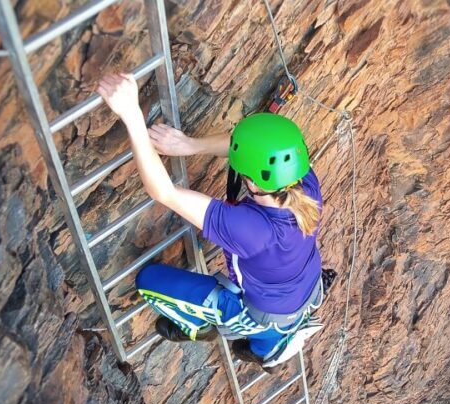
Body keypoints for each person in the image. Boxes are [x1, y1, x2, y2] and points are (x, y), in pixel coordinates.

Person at [96, 73, 332, 368]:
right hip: (303, 291)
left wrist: (132, 115)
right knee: (265, 335)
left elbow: (164, 191)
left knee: (149, 281)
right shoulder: (304, 184)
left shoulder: (252, 230)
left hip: (264, 314)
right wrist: (189, 145)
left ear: (252, 182)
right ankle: (269, 345)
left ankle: (207, 330)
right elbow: (245, 150)